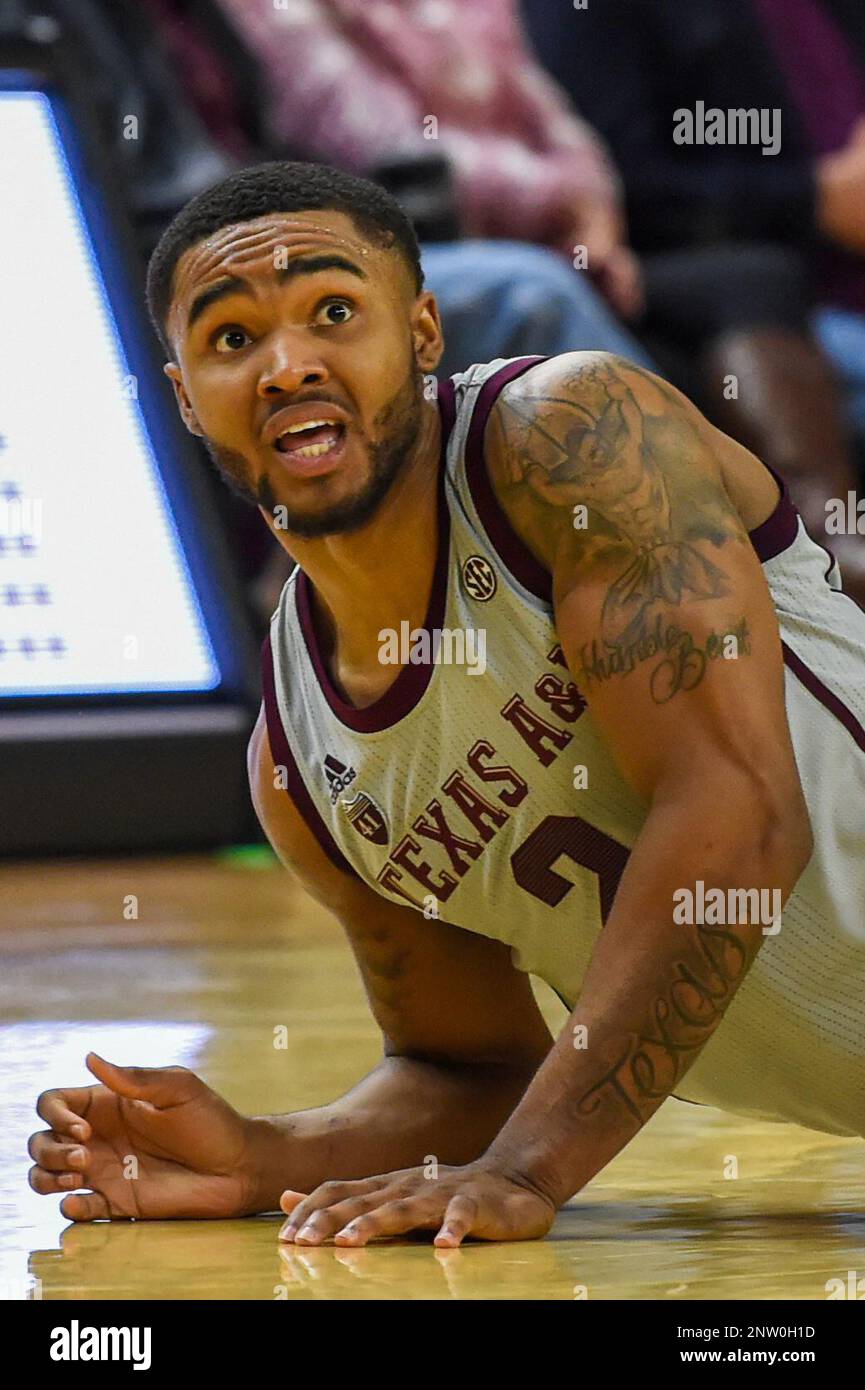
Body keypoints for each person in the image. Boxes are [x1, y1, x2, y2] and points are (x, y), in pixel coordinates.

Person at [27, 164, 865, 1247]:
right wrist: (263, 1154)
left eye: (334, 311)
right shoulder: (297, 760)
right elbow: (466, 1068)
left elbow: (743, 821)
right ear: (185, 395)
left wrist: (528, 1170)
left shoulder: (574, 437)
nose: (287, 366)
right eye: (233, 339)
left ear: (424, 333)